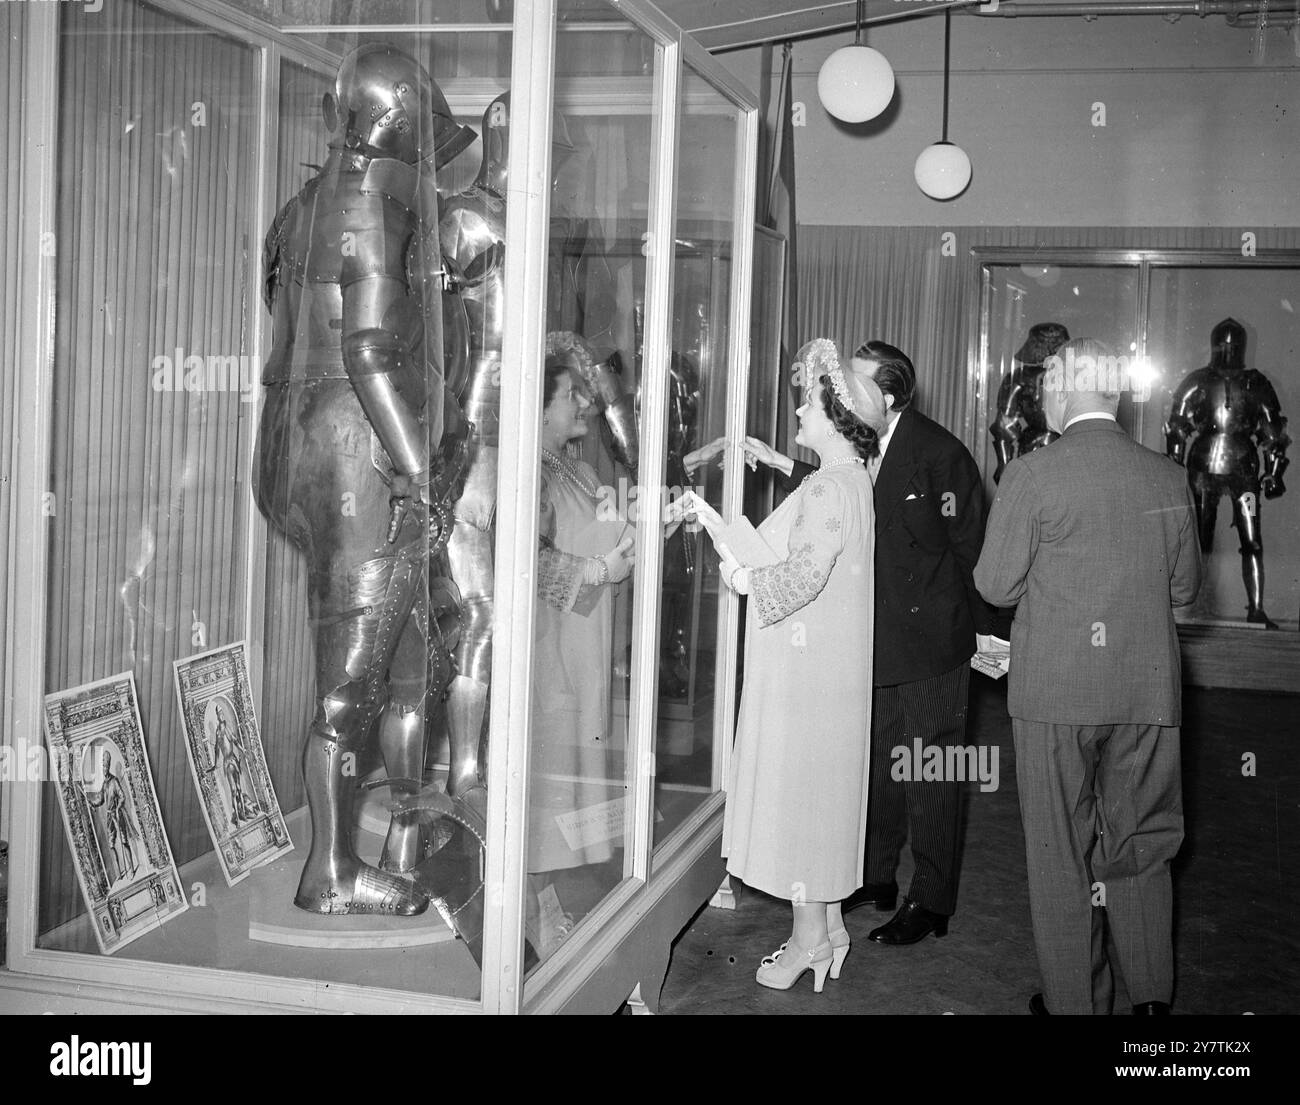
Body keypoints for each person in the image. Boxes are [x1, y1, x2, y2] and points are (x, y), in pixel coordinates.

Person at [974, 337, 1202, 1015]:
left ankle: (1077, 1003)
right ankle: (1152, 1004)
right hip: (1146, 696)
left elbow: (995, 581)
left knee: (1060, 857)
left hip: (1055, 698)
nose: (1041, 393)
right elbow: (1185, 589)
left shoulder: (1033, 474)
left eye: (1047, 382)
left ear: (1068, 389)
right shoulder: (1166, 475)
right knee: (1141, 845)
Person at [743, 340, 991, 946]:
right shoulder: (861, 446)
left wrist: (985, 636)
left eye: (855, 383)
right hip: (867, 642)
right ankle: (873, 876)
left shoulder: (941, 453)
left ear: (888, 394)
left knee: (928, 772)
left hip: (932, 646)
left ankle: (931, 901)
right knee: (873, 767)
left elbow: (972, 552)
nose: (841, 391)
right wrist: (781, 462)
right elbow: (848, 494)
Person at [695, 338, 886, 993]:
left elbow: (800, 573)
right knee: (823, 801)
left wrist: (746, 577)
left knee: (805, 802)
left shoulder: (831, 487)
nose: (799, 415)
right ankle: (828, 928)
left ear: (835, 418)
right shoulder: (847, 480)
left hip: (808, 676)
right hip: (826, 669)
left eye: (806, 404)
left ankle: (807, 941)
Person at [527, 351, 640, 958]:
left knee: (570, 782)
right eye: (571, 395)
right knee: (545, 789)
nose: (585, 405)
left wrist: (676, 499)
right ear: (538, 404)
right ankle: (535, 908)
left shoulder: (569, 467)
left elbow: (619, 522)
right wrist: (597, 568)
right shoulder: (528, 472)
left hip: (588, 653)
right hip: (550, 656)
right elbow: (519, 565)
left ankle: (545, 901)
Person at [1164, 317, 1289, 627]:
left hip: (1240, 466)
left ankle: (1256, 609)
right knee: (1199, 540)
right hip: (1205, 466)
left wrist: (1274, 472)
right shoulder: (1197, 380)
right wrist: (1174, 467)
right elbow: (1177, 427)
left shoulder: (1255, 383)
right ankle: (1195, 606)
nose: (1229, 350)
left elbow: (1273, 431)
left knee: (1251, 539)